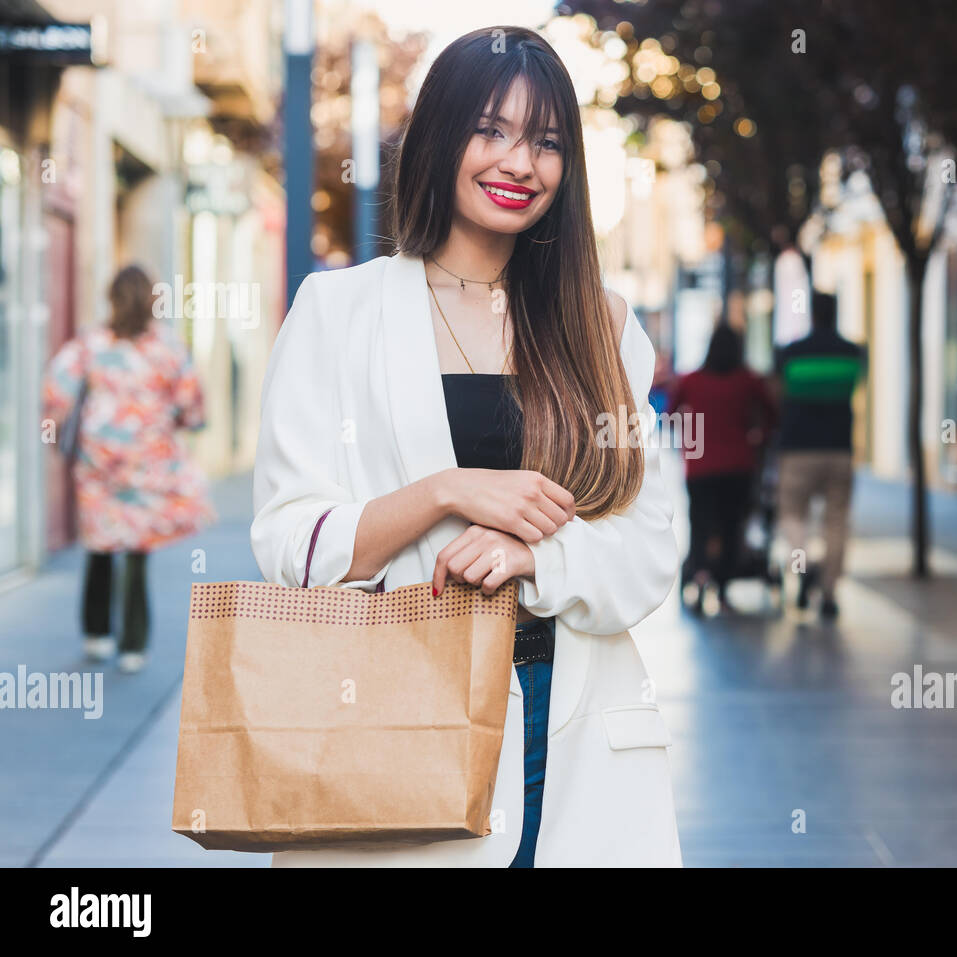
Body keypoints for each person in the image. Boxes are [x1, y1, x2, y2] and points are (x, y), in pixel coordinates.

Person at [251, 26, 681, 867]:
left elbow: (649, 548)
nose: (520, 163)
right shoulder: (337, 314)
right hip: (395, 720)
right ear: (442, 138)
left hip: (570, 724)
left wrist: (536, 556)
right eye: (491, 131)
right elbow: (289, 546)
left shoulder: (603, 326)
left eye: (547, 142)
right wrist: (446, 492)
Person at [42, 265, 216, 673]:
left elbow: (56, 390)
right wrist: (182, 423)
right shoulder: (168, 347)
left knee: (99, 543)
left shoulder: (90, 343)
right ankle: (134, 646)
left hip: (97, 462)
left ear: (112, 299)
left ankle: (96, 633)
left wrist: (52, 435)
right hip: (148, 462)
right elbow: (192, 405)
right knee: (138, 548)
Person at [668, 321, 777, 613]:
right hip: (739, 467)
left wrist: (690, 437)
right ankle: (724, 589)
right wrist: (757, 437)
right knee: (731, 527)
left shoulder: (691, 381)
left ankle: (700, 577)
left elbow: (670, 413)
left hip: (700, 468)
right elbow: (772, 415)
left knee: (700, 525)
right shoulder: (748, 381)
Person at [771, 290, 866, 619]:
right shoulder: (852, 353)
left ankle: (805, 566)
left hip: (798, 449)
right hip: (839, 450)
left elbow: (778, 395)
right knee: (836, 520)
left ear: (812, 314)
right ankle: (829, 592)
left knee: (791, 514)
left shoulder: (792, 353)